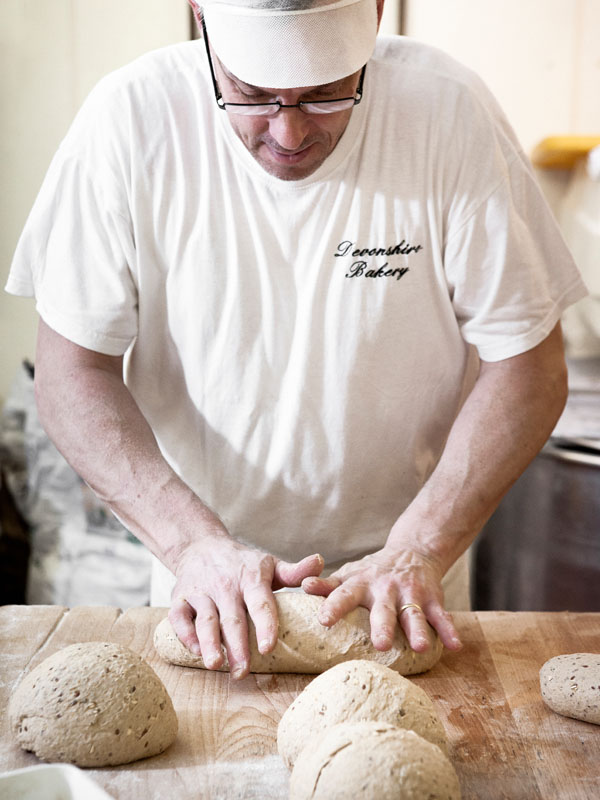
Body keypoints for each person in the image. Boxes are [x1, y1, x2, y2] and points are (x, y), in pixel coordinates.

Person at [6, 0, 586, 680]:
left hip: (406, 592)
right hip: (205, 589)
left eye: (327, 93)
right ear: (199, 11)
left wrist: (419, 547)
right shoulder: (129, 122)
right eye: (251, 93)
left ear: (374, 12)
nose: (288, 131)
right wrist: (193, 544)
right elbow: (73, 371)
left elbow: (530, 367)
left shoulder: (448, 112)